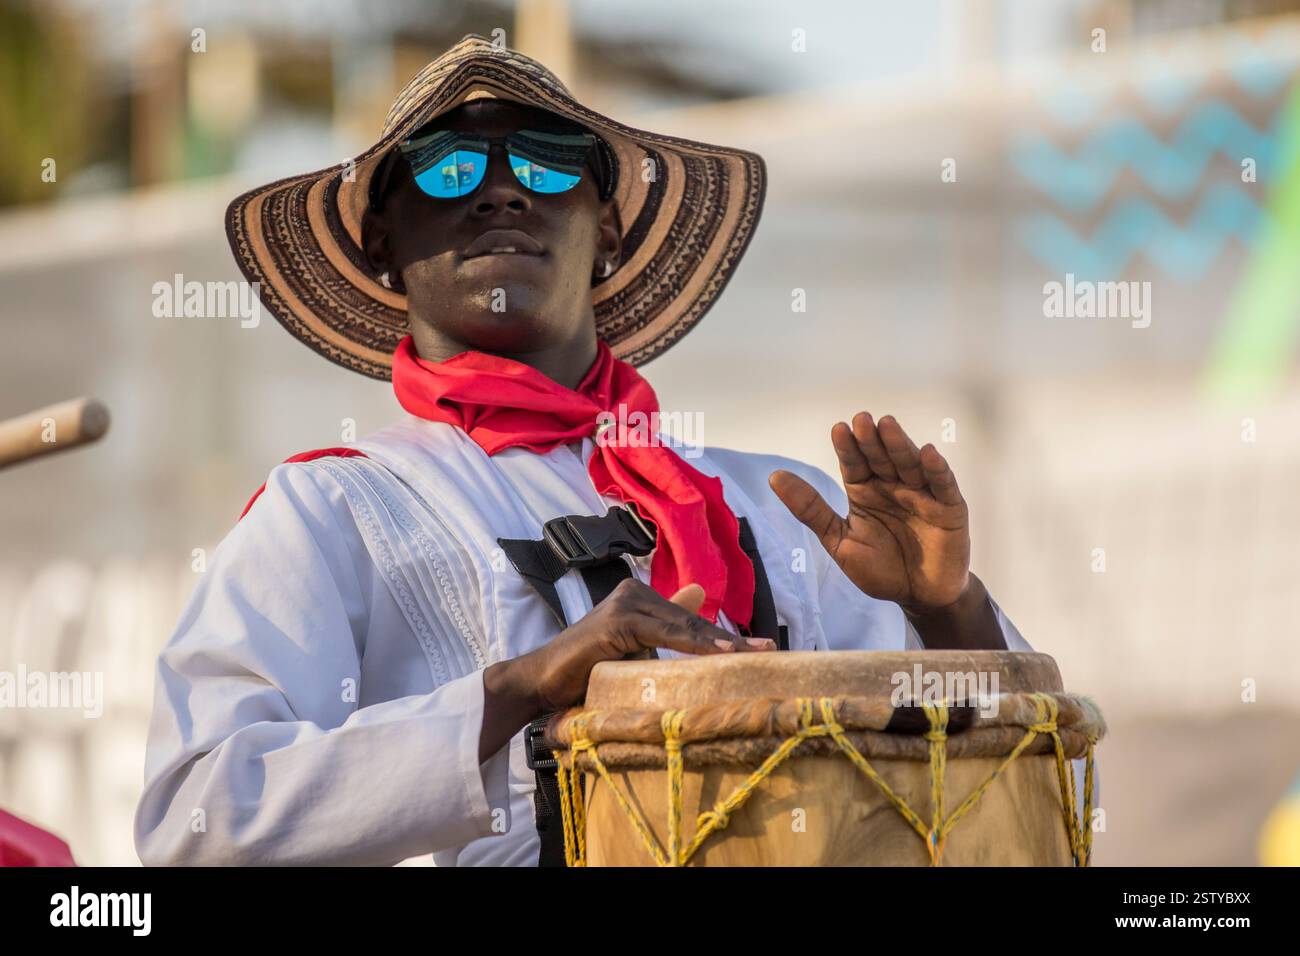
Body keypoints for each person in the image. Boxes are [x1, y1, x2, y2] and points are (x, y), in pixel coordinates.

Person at [135, 35, 1058, 867]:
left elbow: (1026, 802)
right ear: (382, 238)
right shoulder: (335, 511)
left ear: (607, 225)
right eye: (448, 166)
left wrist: (948, 613)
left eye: (544, 161)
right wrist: (526, 688)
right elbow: (195, 820)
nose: (501, 189)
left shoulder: (785, 507)